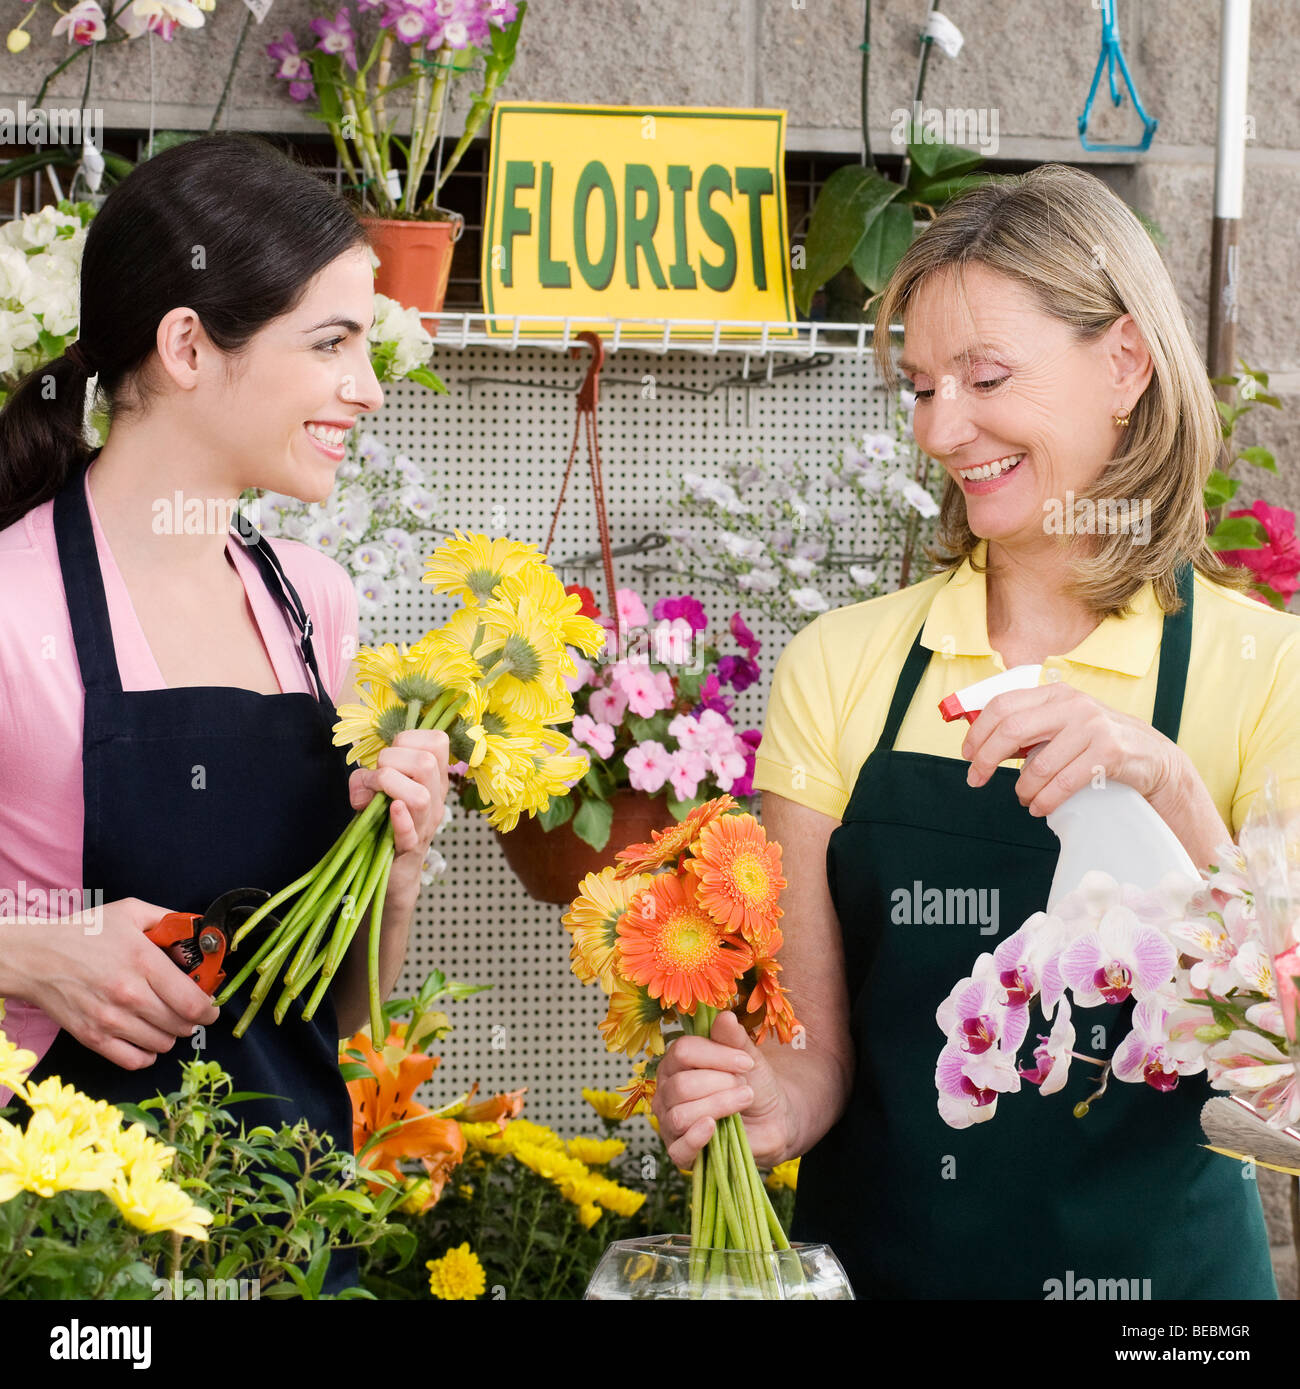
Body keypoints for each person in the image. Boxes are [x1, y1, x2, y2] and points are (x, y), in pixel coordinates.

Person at [651, 163, 1300, 1299]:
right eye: (919, 387)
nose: (944, 429)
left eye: (986, 377)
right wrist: (761, 1104)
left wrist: (1170, 788)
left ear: (1124, 364)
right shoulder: (844, 669)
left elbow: (1286, 1064)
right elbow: (817, 1061)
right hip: (885, 1274)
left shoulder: (1265, 672)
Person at [0, 134, 448, 1293]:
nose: (368, 386)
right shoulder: (11, 606)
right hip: (62, 1249)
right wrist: (36, 949)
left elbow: (341, 1011)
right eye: (332, 344)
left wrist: (392, 871)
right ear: (189, 346)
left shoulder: (314, 606)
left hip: (289, 1235)